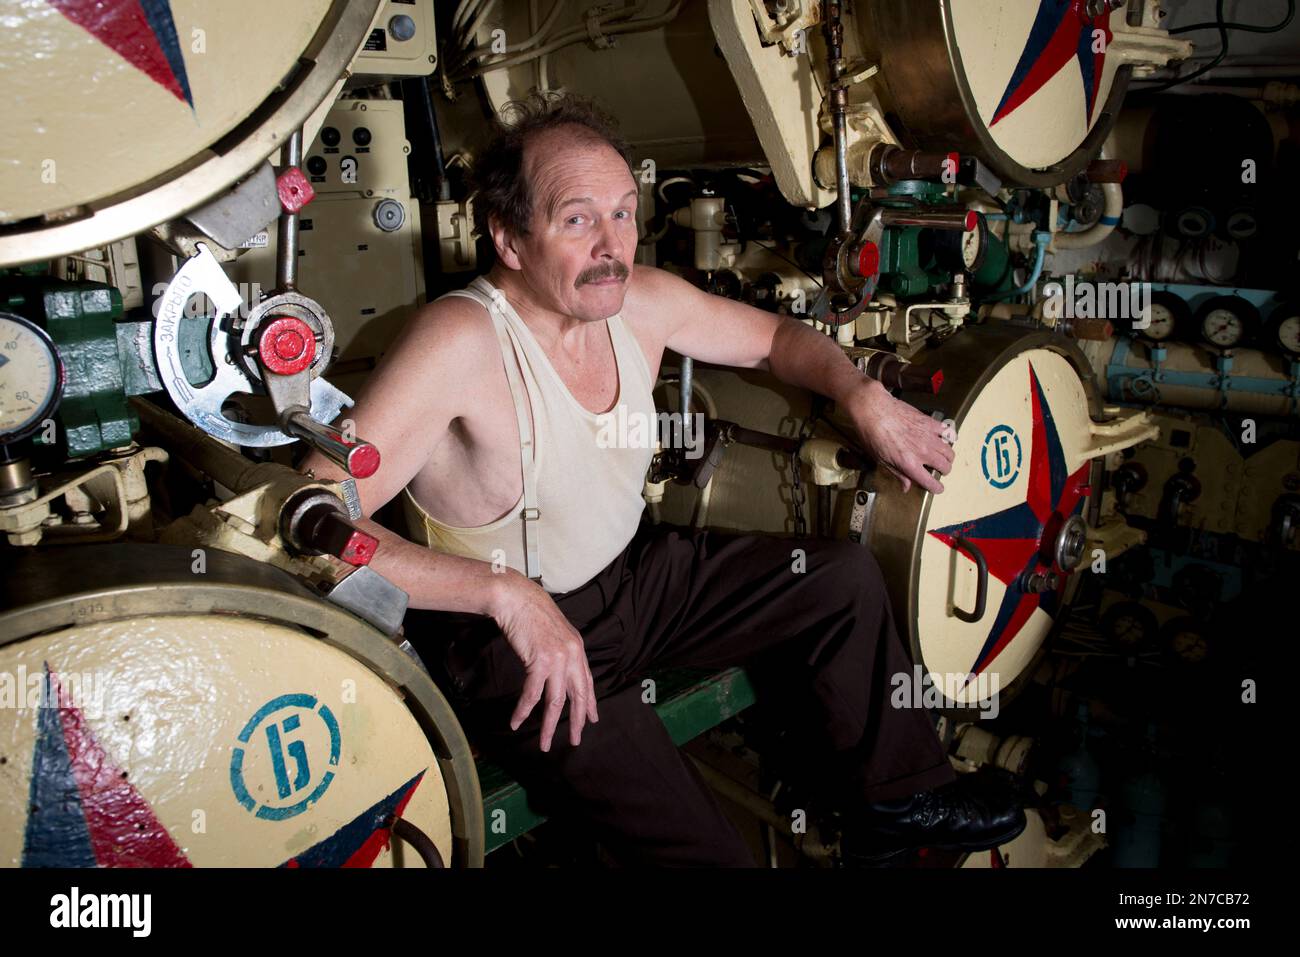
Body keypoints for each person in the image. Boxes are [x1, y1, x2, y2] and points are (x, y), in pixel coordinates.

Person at [300, 91, 1024, 866]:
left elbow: (778, 339)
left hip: (636, 579)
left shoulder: (638, 301)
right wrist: (502, 593)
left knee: (840, 578)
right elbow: (314, 514)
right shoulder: (460, 340)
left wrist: (859, 393)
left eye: (623, 212)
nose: (612, 244)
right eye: (577, 219)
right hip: (509, 640)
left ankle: (897, 800)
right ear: (509, 238)